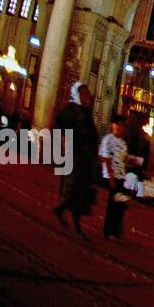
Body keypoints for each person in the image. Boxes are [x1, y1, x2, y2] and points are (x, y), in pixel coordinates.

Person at [52, 83, 100, 239]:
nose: (88, 97)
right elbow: (60, 125)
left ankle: (64, 214)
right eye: (85, 94)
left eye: (88, 94)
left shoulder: (86, 112)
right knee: (74, 190)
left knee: (81, 193)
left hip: (86, 158)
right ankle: (75, 225)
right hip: (75, 156)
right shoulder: (71, 110)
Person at [98, 114, 131, 239]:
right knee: (114, 203)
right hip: (111, 175)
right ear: (112, 126)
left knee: (120, 203)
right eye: (118, 125)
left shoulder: (123, 143)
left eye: (122, 126)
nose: (120, 128)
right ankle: (109, 231)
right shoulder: (108, 139)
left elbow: (124, 159)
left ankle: (115, 230)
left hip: (121, 176)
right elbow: (105, 159)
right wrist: (111, 177)